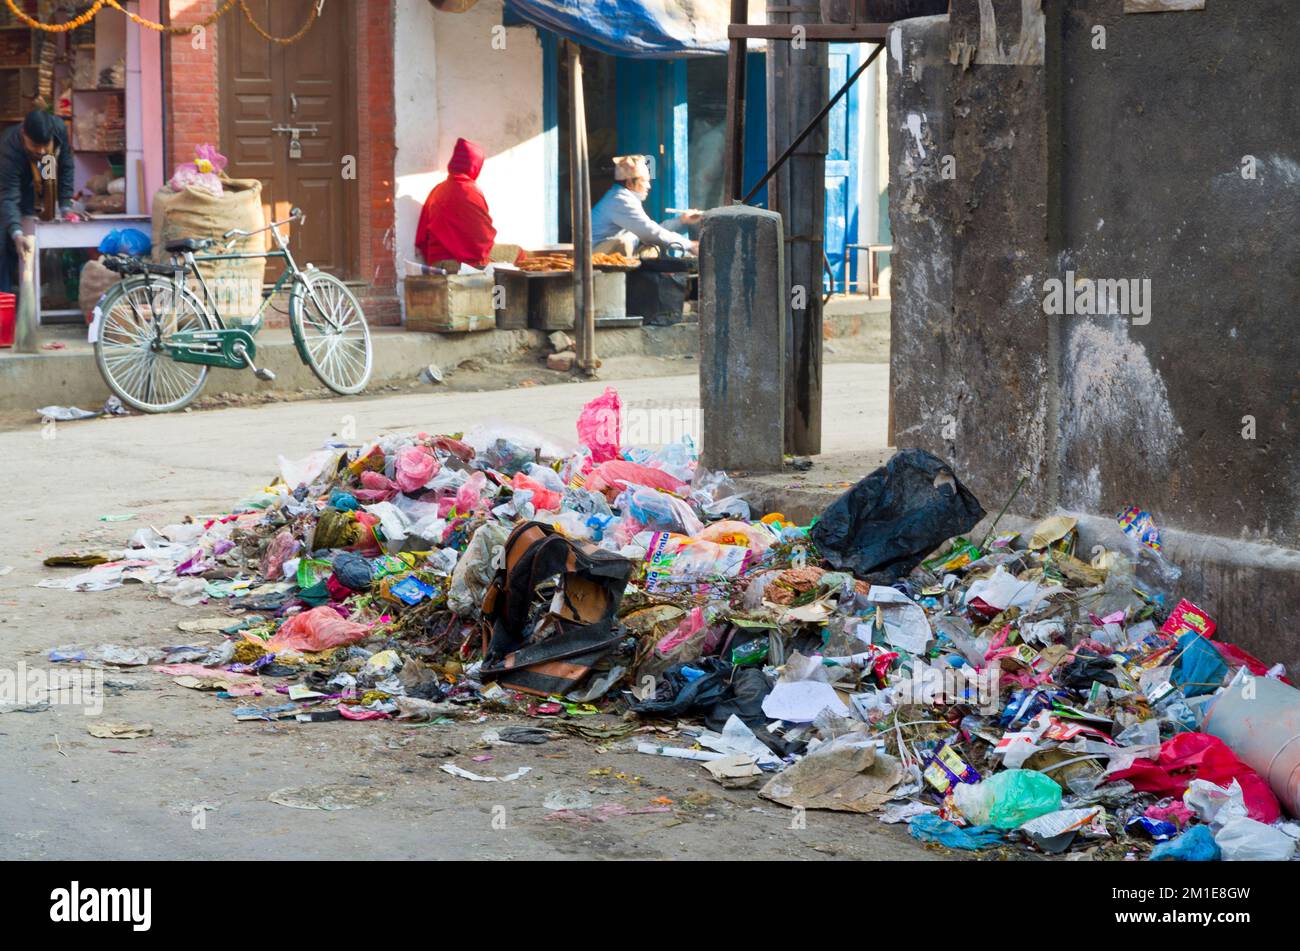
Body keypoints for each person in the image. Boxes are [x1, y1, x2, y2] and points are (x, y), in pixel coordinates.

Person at [416, 137, 519, 271]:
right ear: (474, 165)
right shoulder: (470, 191)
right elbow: (481, 240)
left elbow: (423, 238)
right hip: (458, 263)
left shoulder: (438, 189)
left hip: (436, 262)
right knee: (519, 254)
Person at [0, 109, 76, 292]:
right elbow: (8, 196)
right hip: (8, 187)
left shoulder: (57, 129)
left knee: (23, 241)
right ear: (24, 134)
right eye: (35, 145)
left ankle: (26, 293)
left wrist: (65, 205)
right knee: (4, 245)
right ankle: (5, 300)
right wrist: (17, 233)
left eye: (45, 145)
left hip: (36, 180)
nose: (41, 150)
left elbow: (66, 164)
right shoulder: (8, 148)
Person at [591, 155, 697, 256]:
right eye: (644, 181)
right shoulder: (620, 200)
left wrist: (682, 220)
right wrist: (690, 245)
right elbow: (650, 233)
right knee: (644, 245)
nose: (649, 186)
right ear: (629, 184)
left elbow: (649, 230)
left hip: (605, 251)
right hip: (596, 256)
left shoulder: (623, 197)